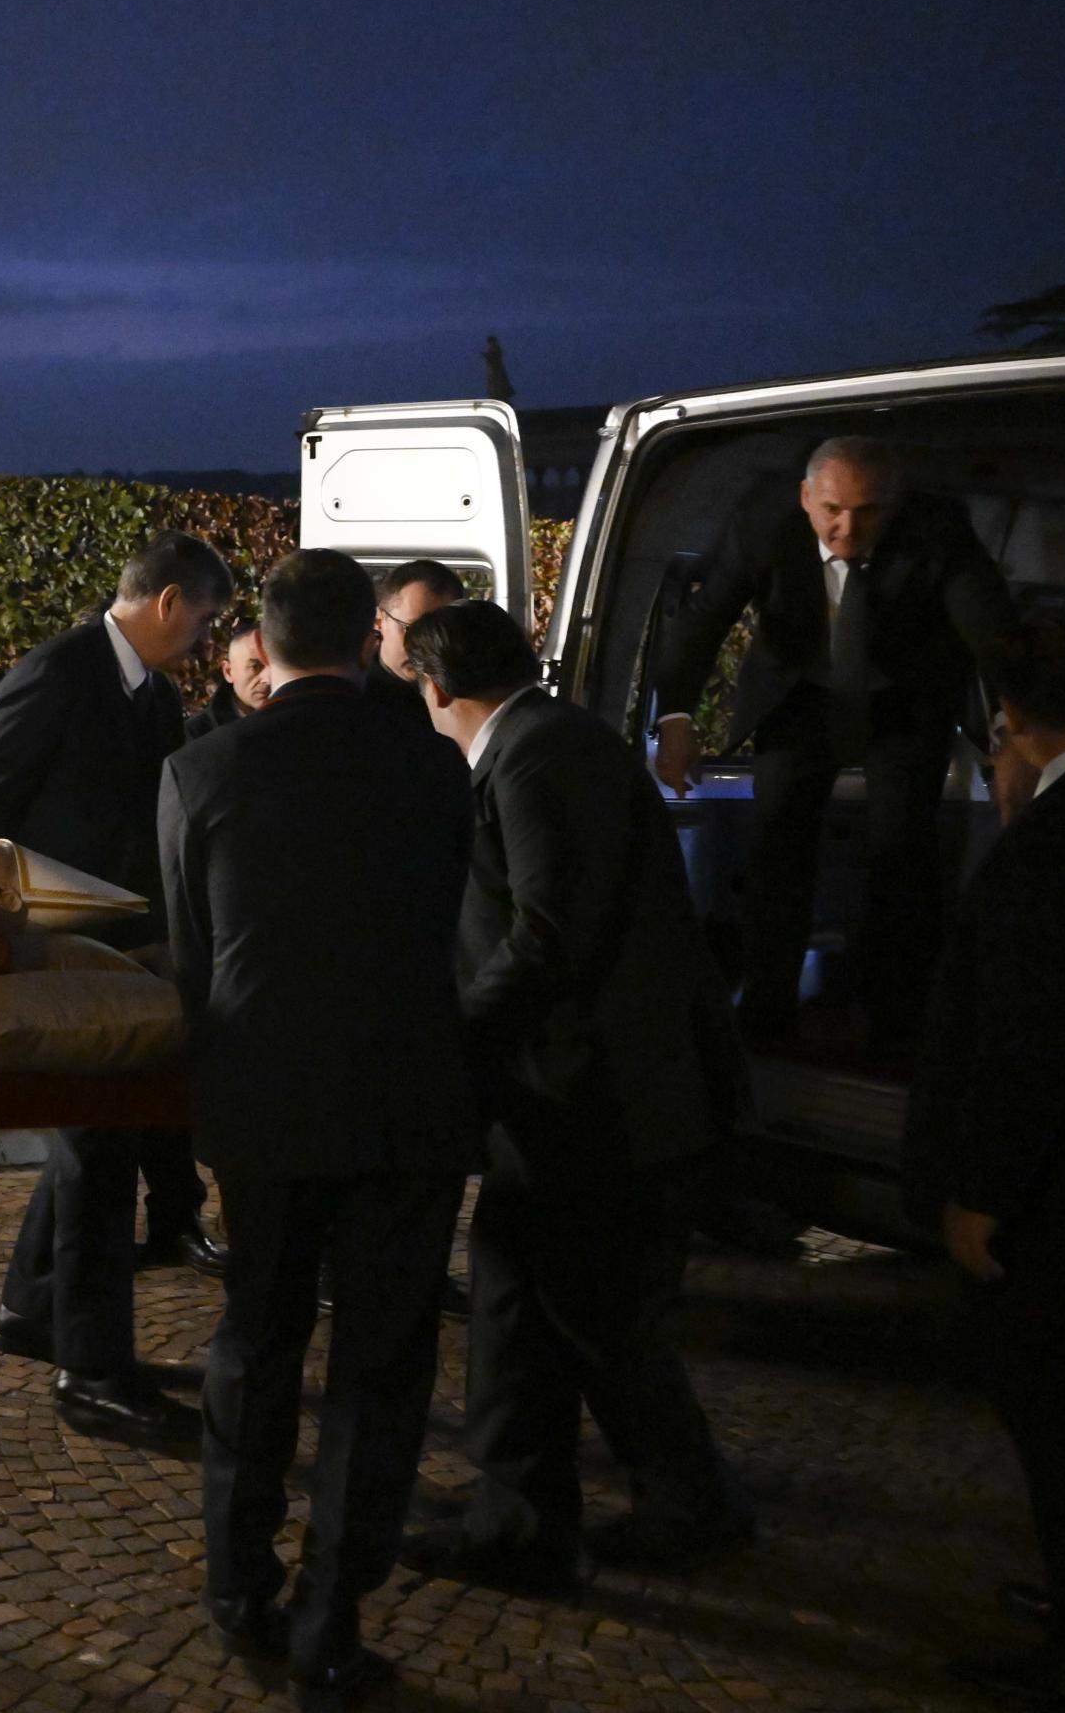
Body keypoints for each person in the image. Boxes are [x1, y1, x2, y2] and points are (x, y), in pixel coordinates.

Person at [162, 549, 479, 1704]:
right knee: (382, 1364)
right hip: (406, 1098)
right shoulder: (436, 767)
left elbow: (194, 962)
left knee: (257, 1337)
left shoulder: (201, 771)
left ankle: (238, 1581)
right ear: (364, 643)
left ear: (266, 642)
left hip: (266, 1097)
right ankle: (330, 1610)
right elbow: (461, 928)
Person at [398, 601, 752, 1595]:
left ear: (437, 688)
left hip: (589, 1096)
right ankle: (546, 1511)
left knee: (569, 1306)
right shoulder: (562, 740)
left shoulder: (532, 756)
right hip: (594, 1090)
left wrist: (458, 1030)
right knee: (550, 1302)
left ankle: (628, 1510)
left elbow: (547, 931)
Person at [0, 533, 234, 1450]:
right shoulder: (57, 674)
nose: (206, 640)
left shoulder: (154, 694)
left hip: (122, 954)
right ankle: (94, 1374)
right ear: (166, 602)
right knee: (100, 1156)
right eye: (204, 622)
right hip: (60, 954)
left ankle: (35, 1311)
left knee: (95, 1145)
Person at [652, 435, 1015, 1053]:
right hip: (799, 695)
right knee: (775, 851)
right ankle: (765, 1014)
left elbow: (991, 630)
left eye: (869, 511)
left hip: (905, 695)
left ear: (895, 504)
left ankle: (897, 1020)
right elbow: (703, 619)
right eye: (831, 510)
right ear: (804, 497)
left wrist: (1014, 730)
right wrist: (677, 719)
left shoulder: (937, 527)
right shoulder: (762, 521)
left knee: (902, 854)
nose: (847, 528)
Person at [905, 609, 1065, 1713]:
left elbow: (1028, 1039)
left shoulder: (1053, 843)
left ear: (1011, 719)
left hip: (1061, 1200)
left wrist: (979, 1192)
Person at [367, 558, 469, 734]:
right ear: (379, 621)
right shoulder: (354, 697)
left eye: (443, 632)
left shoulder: (472, 696)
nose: (426, 645)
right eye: (413, 629)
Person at [185, 621, 271, 740]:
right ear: (229, 672)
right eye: (255, 667)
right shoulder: (196, 735)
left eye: (275, 667)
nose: (267, 678)